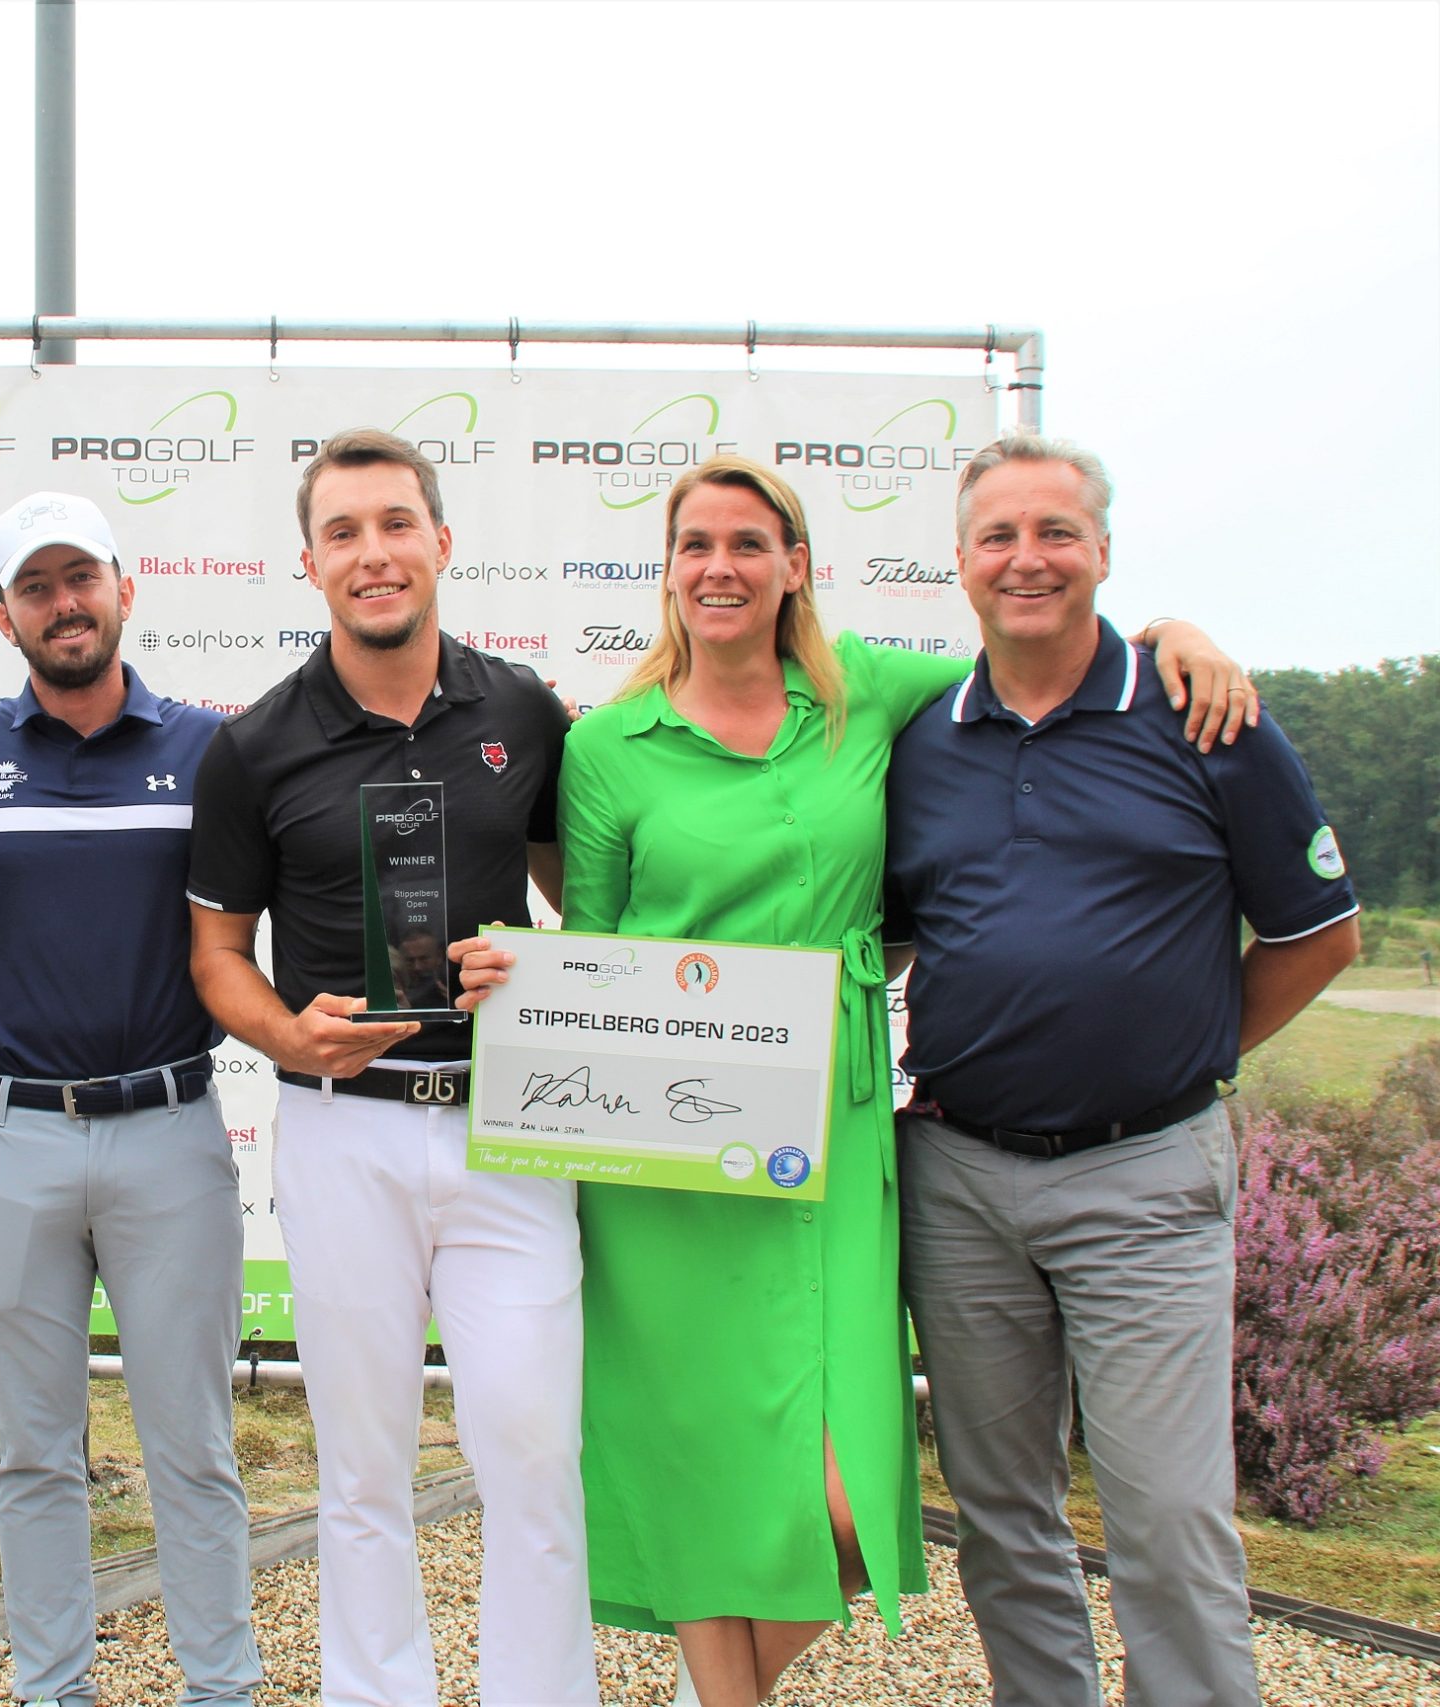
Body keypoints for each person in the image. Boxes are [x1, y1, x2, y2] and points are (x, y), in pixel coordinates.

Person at [453, 453, 1247, 1707]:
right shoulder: (607, 745)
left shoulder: (871, 693)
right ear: (667, 573)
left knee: (838, 1496)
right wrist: (522, 982)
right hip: (671, 1148)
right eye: (695, 546)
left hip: (834, 1125)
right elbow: (594, 945)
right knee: (698, 1460)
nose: (721, 568)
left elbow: (1034, 653)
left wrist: (1169, 635)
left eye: (748, 545)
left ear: (795, 566)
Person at [885, 436, 1359, 1707]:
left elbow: (1320, 935)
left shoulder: (1207, 715)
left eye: (1054, 533)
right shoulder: (923, 738)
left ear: (1102, 550)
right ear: (962, 562)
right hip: (960, 1177)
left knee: (1167, 1522)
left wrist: (1183, 1049)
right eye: (998, 536)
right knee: (1002, 1516)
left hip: (1146, 1177)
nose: (1025, 559)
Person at [185, 429, 594, 1706]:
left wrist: (535, 972)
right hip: (337, 1128)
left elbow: (583, 915)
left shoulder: (521, 712)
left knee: (531, 1451)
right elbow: (214, 956)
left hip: (509, 1136)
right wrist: (282, 1035)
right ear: (308, 563)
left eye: (395, 524)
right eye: (345, 532)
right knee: (361, 1465)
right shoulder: (250, 747)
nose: (374, 553)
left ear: (441, 543)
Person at [0, 491, 261, 1707]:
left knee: (194, 1448)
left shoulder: (210, 747)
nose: (63, 603)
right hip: (8, 1134)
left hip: (169, 1132)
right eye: (36, 585)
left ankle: (220, 1688)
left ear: (126, 586)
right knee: (32, 1456)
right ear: (3, 613)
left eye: (82, 578)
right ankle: (50, 1689)